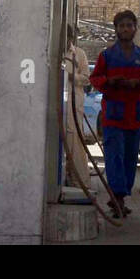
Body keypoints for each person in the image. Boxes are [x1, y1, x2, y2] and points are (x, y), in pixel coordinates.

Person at [89, 10, 140, 218]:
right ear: (116, 29)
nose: (126, 29)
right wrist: (109, 81)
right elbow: (95, 78)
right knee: (113, 156)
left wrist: (139, 83)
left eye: (129, 25)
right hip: (113, 115)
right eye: (122, 26)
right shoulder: (106, 55)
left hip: (134, 115)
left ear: (135, 28)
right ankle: (116, 196)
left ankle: (121, 196)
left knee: (129, 158)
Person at [62, 25, 91, 188]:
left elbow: (87, 78)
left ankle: (79, 182)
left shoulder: (79, 54)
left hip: (74, 104)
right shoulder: (55, 53)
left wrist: (73, 77)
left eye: (68, 37)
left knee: (74, 142)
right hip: (59, 105)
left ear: (71, 38)